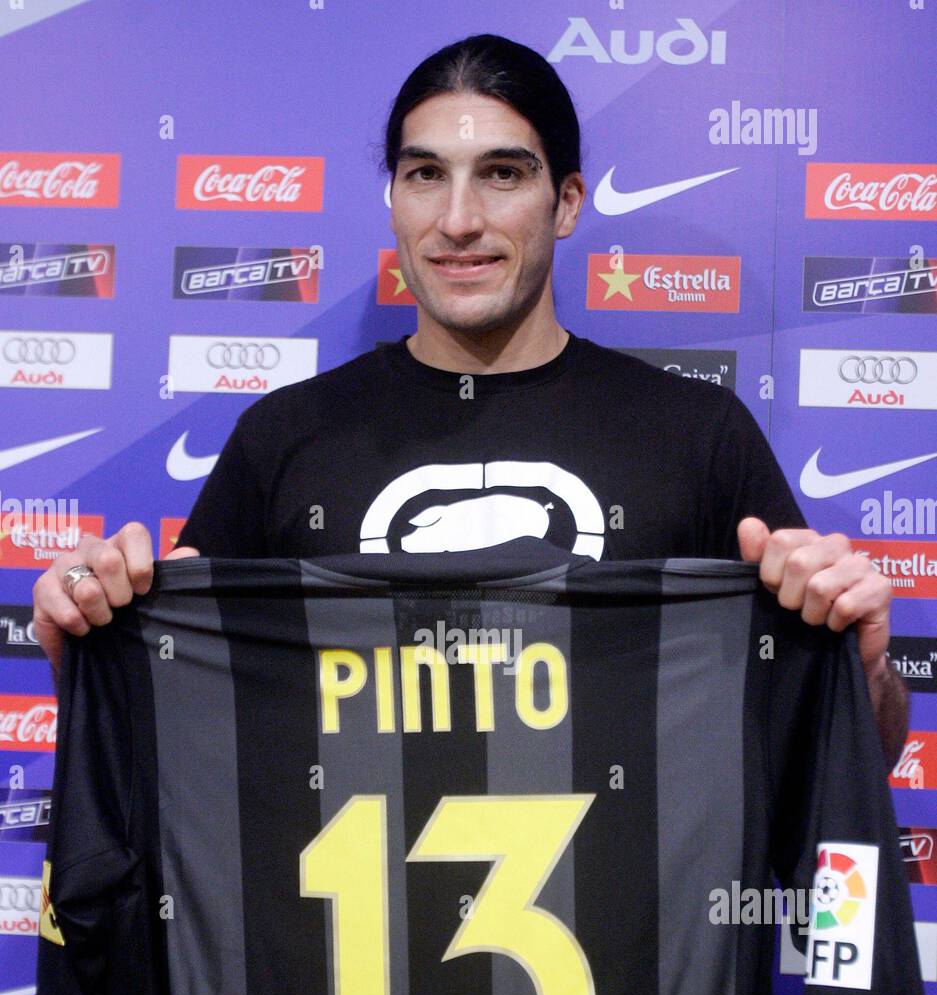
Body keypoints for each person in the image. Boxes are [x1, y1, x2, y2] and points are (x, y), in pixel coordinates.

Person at [31, 33, 908, 764]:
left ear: (565, 203)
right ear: (392, 201)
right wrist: (88, 650)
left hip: (634, 962)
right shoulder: (283, 436)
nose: (457, 219)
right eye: (424, 175)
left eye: (501, 173)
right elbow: (177, 740)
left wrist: (861, 669)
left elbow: (839, 758)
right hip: (334, 963)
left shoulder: (697, 433)